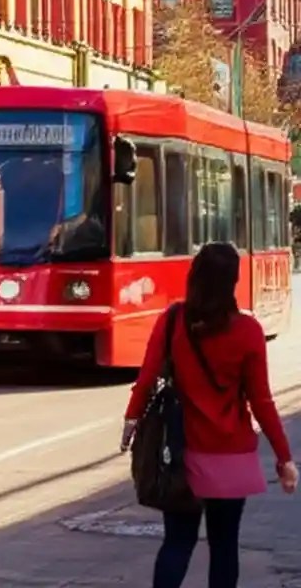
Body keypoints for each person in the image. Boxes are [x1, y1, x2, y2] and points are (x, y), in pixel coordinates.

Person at [122, 242, 298, 588]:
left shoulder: (172, 321)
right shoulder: (248, 331)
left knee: (177, 543)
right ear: (233, 281)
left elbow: (145, 380)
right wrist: (284, 458)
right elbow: (261, 400)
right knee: (224, 546)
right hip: (231, 458)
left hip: (181, 456)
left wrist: (130, 424)